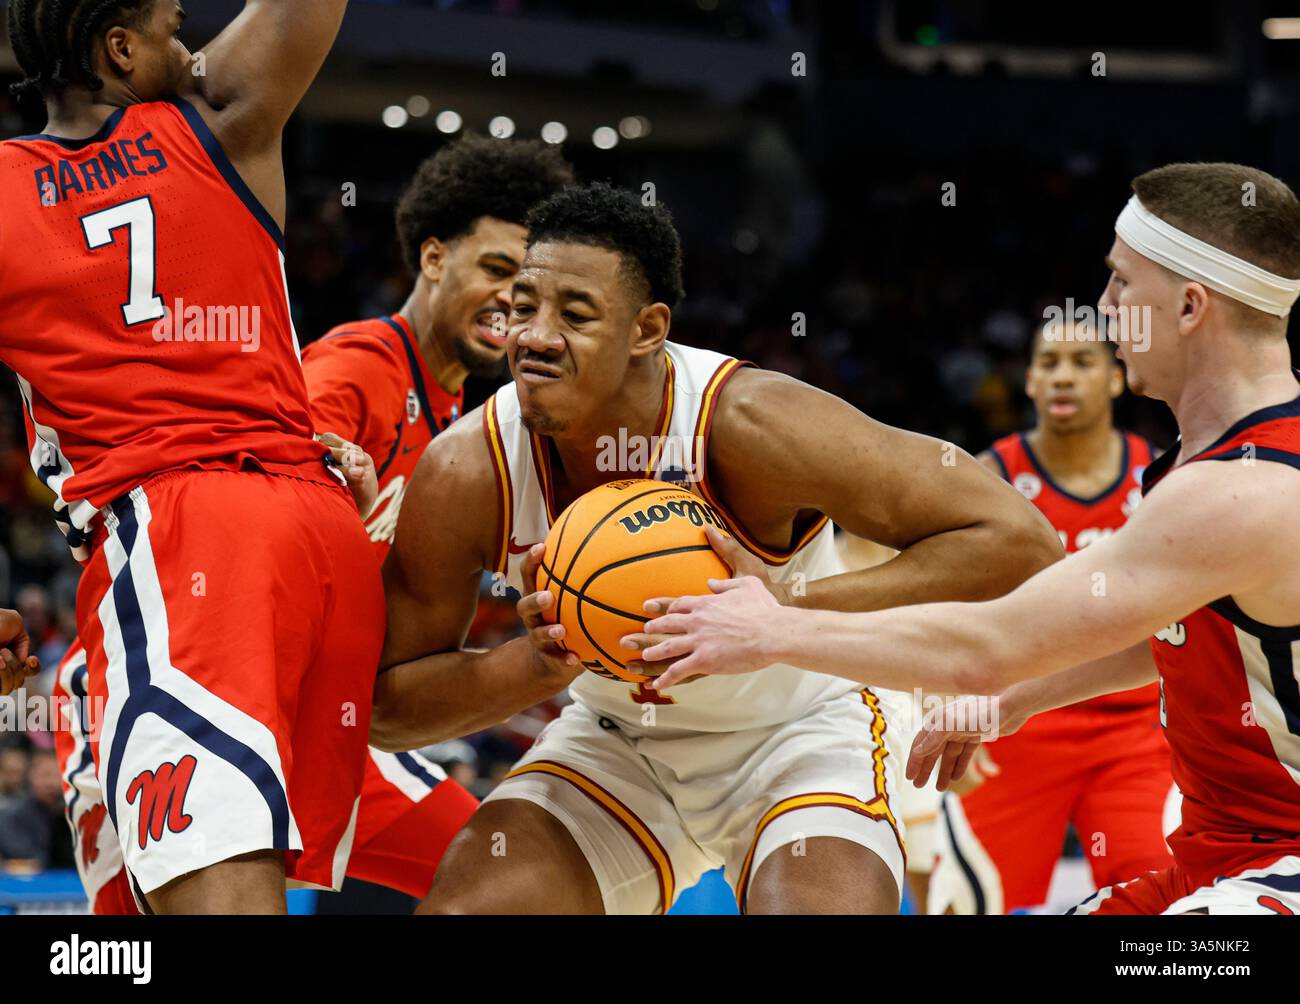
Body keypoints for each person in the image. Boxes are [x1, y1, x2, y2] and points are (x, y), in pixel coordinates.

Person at [373, 182, 1062, 915]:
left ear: (646, 329)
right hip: (618, 739)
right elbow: (388, 709)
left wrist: (782, 611)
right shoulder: (466, 471)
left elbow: (1022, 543)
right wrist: (533, 662)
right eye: (522, 308)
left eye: (575, 315)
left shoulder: (752, 422)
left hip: (799, 729)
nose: (535, 337)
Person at [635, 162, 1300, 915]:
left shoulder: (1243, 490)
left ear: (1188, 306)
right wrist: (1016, 698)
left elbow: (985, 641)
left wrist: (774, 628)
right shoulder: (1205, 465)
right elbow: (1177, 633)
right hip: (1223, 855)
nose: (1106, 308)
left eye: (1120, 284)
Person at [0, 0, 382, 914]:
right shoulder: (224, 118)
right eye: (174, 28)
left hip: (183, 542)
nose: (191, 48)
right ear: (121, 49)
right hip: (323, 531)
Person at [927, 321, 1176, 914]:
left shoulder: (1165, 477)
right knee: (973, 899)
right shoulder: (990, 475)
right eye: (1050, 362)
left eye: (1083, 362)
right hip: (1015, 723)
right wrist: (941, 702)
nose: (1064, 374)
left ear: (1117, 379)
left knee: (1161, 901)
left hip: (1136, 730)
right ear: (1032, 381)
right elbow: (938, 597)